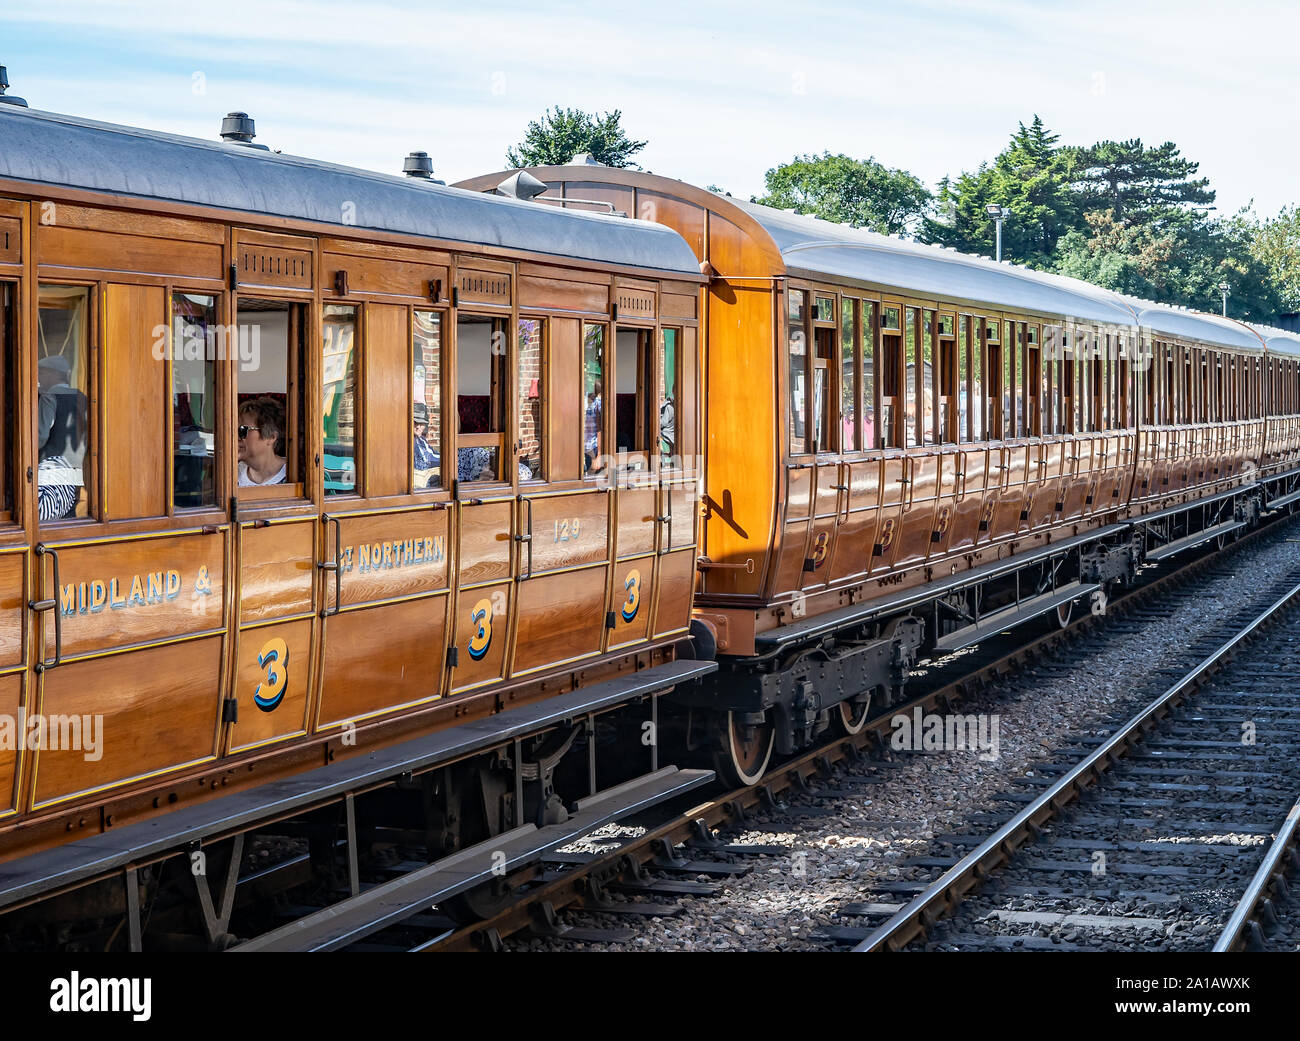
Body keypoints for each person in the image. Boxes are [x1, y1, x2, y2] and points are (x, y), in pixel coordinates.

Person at [36, 354, 86, 521]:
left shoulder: (49, 396)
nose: (38, 378)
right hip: (78, 474)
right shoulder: (82, 397)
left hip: (50, 476)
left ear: (55, 374)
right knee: (68, 522)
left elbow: (39, 437)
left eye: (42, 373)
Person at [238, 397, 287, 486]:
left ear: (271, 437)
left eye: (242, 430)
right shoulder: (230, 475)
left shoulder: (295, 475)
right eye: (232, 430)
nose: (235, 437)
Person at [412, 401, 439, 487]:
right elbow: (424, 463)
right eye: (415, 422)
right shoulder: (409, 443)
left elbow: (432, 455)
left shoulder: (420, 440)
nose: (418, 427)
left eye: (421, 423)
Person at [584, 387, 603, 473]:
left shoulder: (597, 403)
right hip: (576, 449)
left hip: (591, 449)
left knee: (590, 481)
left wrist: (599, 455)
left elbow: (601, 430)